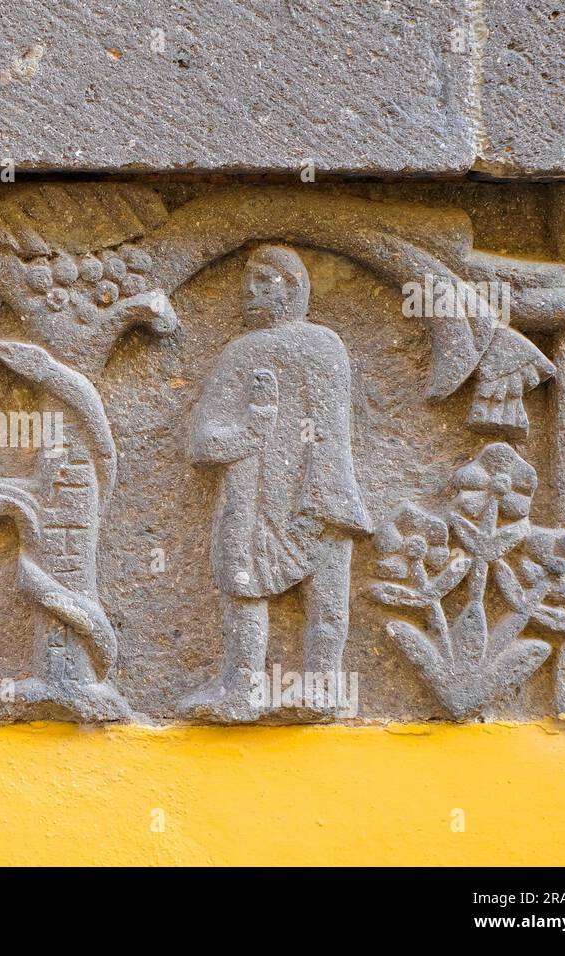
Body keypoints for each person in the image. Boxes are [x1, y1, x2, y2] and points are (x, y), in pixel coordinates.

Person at [179, 244, 370, 721]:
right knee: (243, 585)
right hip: (253, 493)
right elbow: (205, 444)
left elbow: (330, 430)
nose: (251, 291)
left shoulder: (325, 347)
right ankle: (242, 685)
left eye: (266, 282)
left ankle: (323, 685)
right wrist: (251, 429)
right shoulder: (240, 354)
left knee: (326, 596)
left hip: (317, 490)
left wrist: (320, 493)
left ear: (297, 289)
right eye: (247, 283)